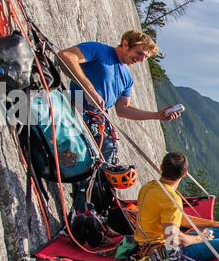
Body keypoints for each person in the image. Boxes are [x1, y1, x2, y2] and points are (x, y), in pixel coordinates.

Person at [57, 30, 181, 164]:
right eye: (139, 53)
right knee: (80, 164)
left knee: (104, 171)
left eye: (145, 57)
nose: (141, 60)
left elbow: (123, 109)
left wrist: (157, 115)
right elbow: (65, 56)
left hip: (98, 120)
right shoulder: (99, 50)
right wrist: (89, 89)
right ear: (125, 44)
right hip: (77, 105)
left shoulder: (127, 78)